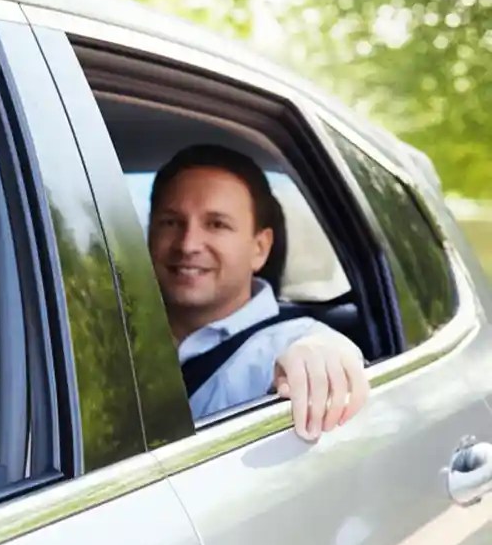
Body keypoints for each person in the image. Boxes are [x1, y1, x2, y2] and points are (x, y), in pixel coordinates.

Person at [147, 144, 371, 440]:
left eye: (216, 224)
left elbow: (327, 352)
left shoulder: (292, 342)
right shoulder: (108, 332)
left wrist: (325, 358)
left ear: (260, 248)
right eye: (171, 222)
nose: (187, 244)